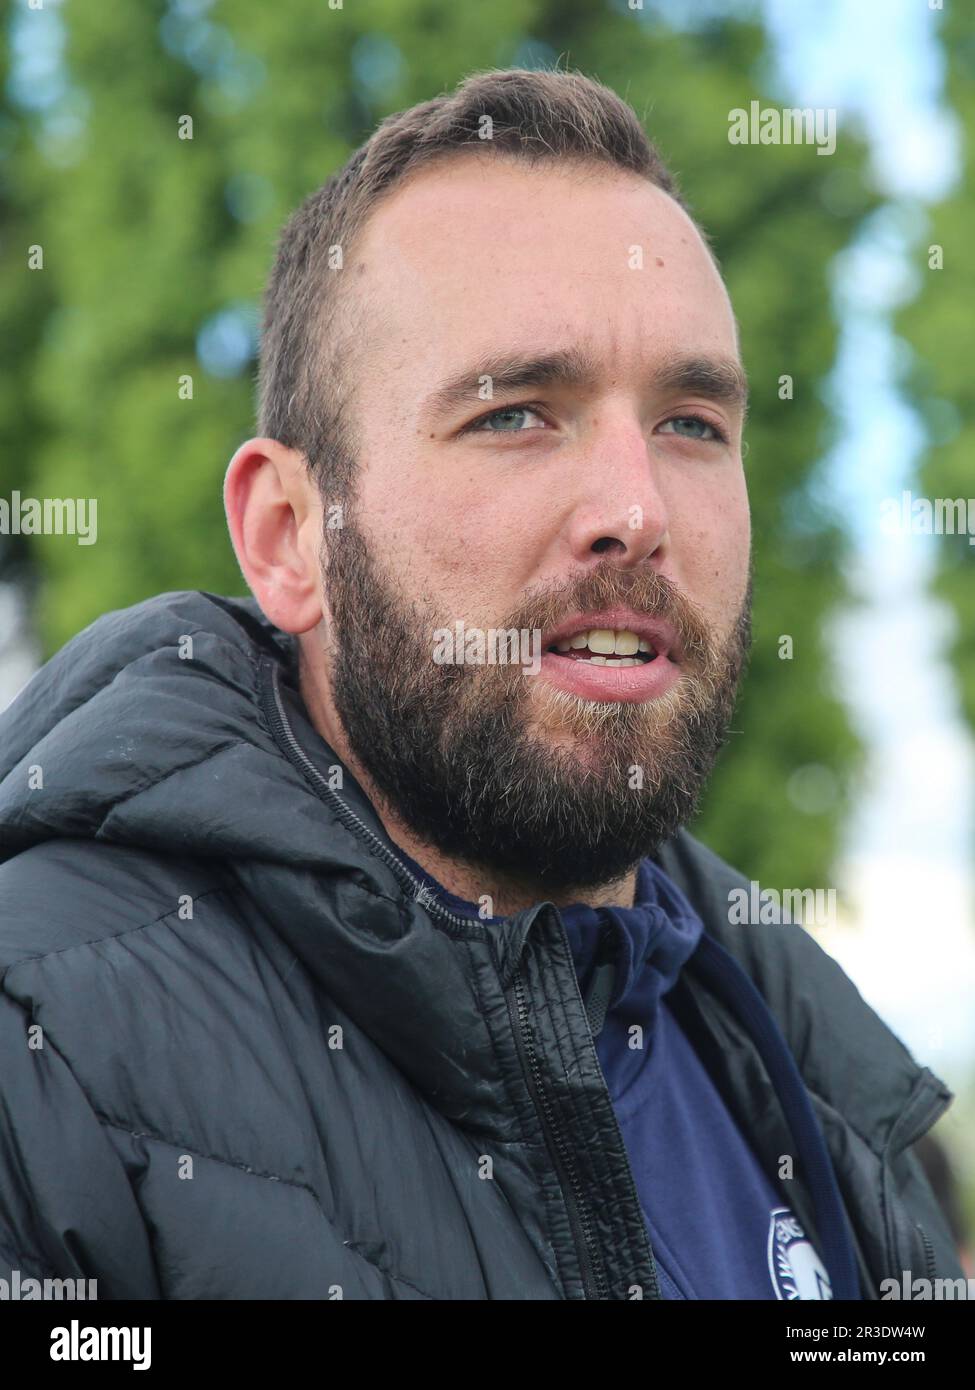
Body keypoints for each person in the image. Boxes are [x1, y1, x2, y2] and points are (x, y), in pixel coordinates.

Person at [0, 67, 961, 1301]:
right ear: (291, 535)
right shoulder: (40, 1055)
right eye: (515, 415)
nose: (637, 510)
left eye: (691, 423)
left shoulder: (809, 1065)